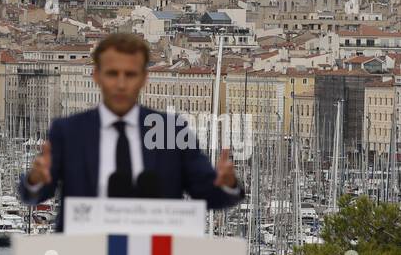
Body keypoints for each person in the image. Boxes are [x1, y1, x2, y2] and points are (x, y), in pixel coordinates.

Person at [19, 32, 244, 230]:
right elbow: (35, 194)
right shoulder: (68, 132)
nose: (121, 84)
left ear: (143, 79)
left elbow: (209, 195)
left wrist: (227, 185)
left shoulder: (172, 131)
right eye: (112, 73)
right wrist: (36, 179)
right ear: (97, 76)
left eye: (130, 74)